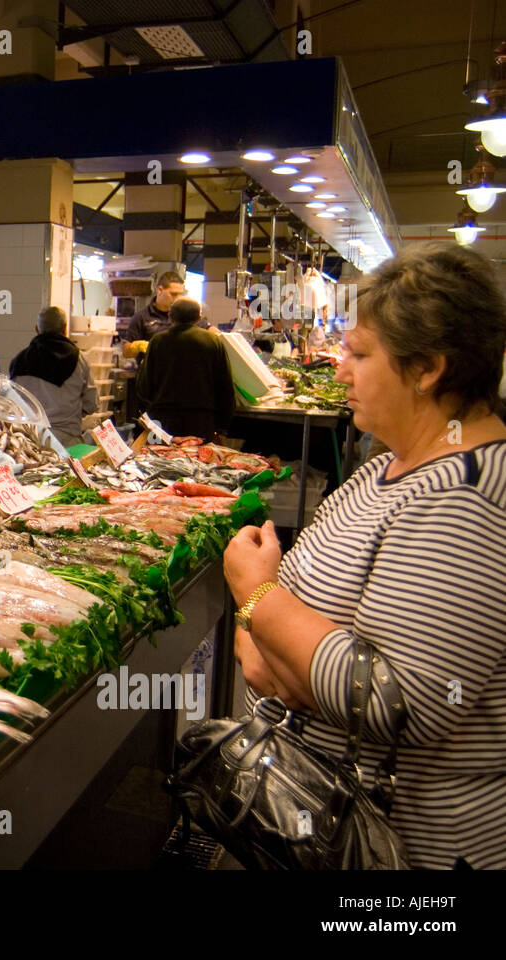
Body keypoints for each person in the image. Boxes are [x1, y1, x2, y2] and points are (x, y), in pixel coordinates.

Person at [223, 240, 506, 869]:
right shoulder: (392, 466)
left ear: (428, 368)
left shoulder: (461, 501)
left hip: (400, 853)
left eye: (358, 353)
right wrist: (262, 639)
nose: (340, 370)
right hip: (321, 822)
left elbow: (393, 700)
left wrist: (256, 597)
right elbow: (303, 656)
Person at [135, 298, 234, 441]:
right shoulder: (212, 341)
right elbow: (225, 387)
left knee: (160, 460)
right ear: (199, 318)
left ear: (170, 316)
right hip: (201, 422)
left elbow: (143, 387)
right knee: (198, 461)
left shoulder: (157, 341)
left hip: (163, 420)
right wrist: (222, 427)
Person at [8, 306, 98, 447]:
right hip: (68, 441)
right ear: (65, 329)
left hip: (29, 441)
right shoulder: (79, 359)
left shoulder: (19, 360)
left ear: (37, 329)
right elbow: (91, 405)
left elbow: (11, 403)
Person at [123, 270, 187, 344]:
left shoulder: (186, 317)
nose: (177, 299)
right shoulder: (141, 318)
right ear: (160, 290)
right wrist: (137, 347)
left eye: (180, 294)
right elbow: (127, 351)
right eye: (174, 294)